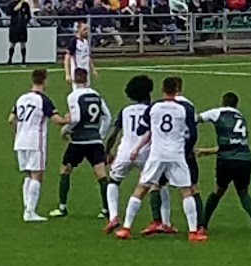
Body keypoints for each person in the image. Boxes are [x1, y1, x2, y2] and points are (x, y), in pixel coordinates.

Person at [115, 74, 206, 241]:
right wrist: (185, 150)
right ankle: (193, 232)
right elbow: (192, 134)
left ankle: (126, 228)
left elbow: (142, 130)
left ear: (162, 90)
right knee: (186, 190)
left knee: (142, 188)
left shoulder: (154, 107)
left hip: (157, 154)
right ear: (177, 91)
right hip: (176, 154)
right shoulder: (184, 109)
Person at [104, 74, 171, 235]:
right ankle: (163, 220)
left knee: (113, 181)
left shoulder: (125, 110)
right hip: (146, 152)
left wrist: (108, 151)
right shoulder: (153, 109)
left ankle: (113, 216)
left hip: (125, 152)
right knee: (157, 184)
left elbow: (114, 133)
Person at [198, 91, 251, 233]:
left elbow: (195, 119)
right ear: (236, 104)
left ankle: (203, 225)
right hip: (245, 160)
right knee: (243, 192)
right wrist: (208, 151)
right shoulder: (240, 117)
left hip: (226, 161)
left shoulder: (217, 112)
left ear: (223, 102)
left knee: (218, 191)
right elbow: (235, 144)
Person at [50, 69, 112, 218]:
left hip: (78, 141)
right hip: (95, 140)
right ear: (87, 79)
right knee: (101, 174)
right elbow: (107, 116)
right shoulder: (96, 95)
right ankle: (106, 209)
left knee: (65, 170)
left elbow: (76, 118)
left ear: (74, 80)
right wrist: (100, 133)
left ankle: (62, 207)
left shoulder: (73, 96)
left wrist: (66, 129)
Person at [9, 68, 65, 222]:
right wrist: (69, 119)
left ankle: (27, 207)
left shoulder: (21, 98)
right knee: (37, 174)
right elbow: (56, 120)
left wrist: (18, 132)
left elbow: (11, 119)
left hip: (20, 141)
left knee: (28, 174)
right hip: (35, 140)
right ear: (45, 80)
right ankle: (30, 212)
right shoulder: (43, 100)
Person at [63, 20, 94, 85]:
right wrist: (67, 74)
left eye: (87, 29)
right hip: (77, 72)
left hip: (86, 71)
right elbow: (67, 57)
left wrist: (93, 69)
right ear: (78, 29)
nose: (86, 32)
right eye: (84, 29)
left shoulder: (85, 41)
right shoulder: (74, 41)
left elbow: (87, 56)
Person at [7, 0, 32, 65]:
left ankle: (23, 60)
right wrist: (21, 1)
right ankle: (10, 59)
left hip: (22, 27)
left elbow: (29, 15)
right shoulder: (12, 4)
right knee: (12, 44)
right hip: (14, 27)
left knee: (23, 44)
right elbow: (14, 10)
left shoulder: (25, 5)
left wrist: (25, 22)